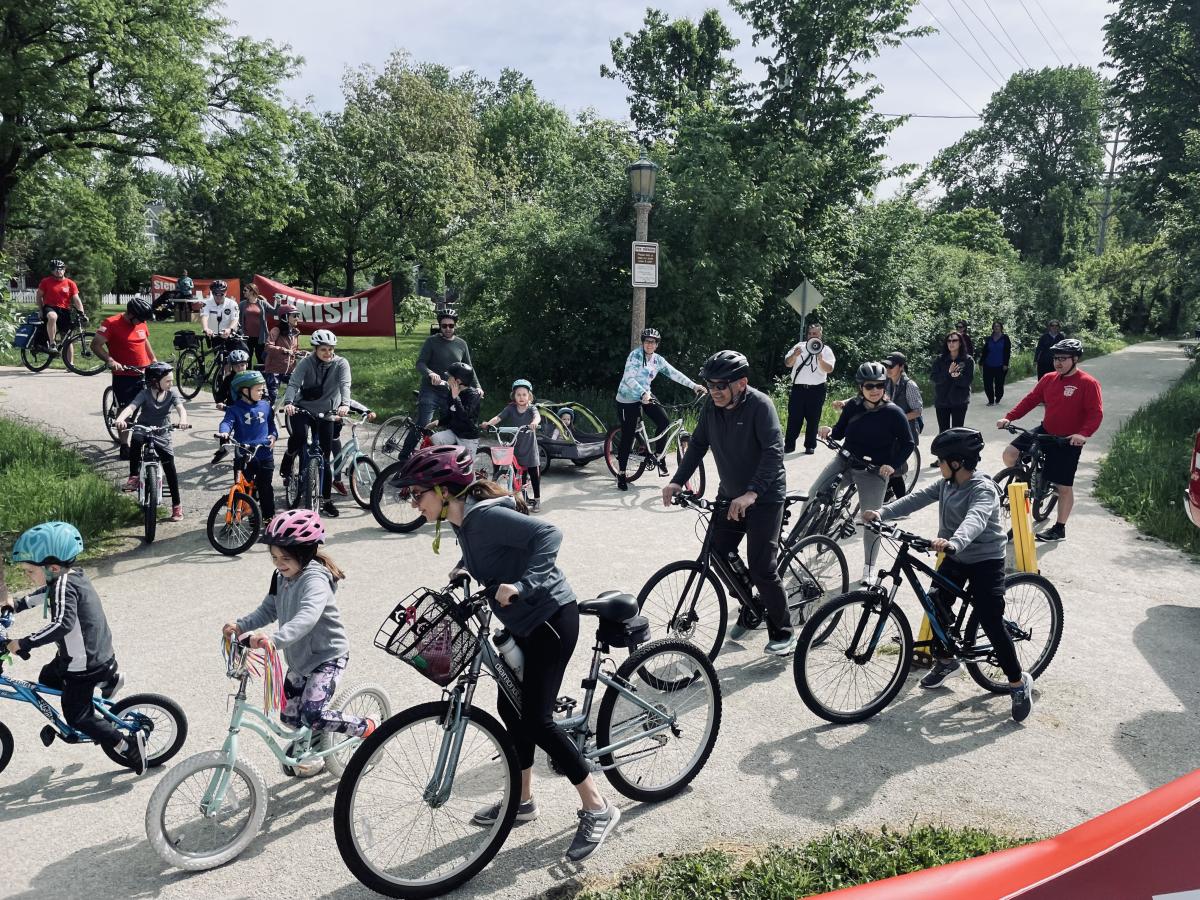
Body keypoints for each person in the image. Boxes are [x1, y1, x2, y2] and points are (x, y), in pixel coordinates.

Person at [391, 444, 621, 861]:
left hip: (551, 619)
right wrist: (465, 566)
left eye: (417, 494)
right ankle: (523, 800)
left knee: (537, 718)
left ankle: (598, 806)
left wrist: (525, 585)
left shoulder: (485, 517)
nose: (413, 502)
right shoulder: (463, 521)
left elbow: (548, 534)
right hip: (523, 623)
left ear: (444, 492)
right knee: (511, 707)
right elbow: (489, 552)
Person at [862, 428, 1034, 722]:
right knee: (936, 605)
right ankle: (946, 661)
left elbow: (976, 518)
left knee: (991, 620)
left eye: (941, 460)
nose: (938, 465)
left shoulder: (983, 489)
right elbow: (916, 498)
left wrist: (955, 541)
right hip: (955, 556)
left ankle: (1018, 683)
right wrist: (882, 513)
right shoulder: (946, 484)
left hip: (984, 559)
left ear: (957, 462)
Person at [222, 510, 376, 771]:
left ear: (304, 555)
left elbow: (307, 617)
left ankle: (366, 727)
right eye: (274, 557)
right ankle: (316, 745)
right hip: (299, 658)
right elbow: (269, 609)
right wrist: (241, 626)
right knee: (290, 717)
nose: (278, 564)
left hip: (327, 657)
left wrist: (273, 639)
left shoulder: (315, 580)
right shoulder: (280, 576)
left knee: (312, 714)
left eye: (285, 558)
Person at [664, 350, 795, 655]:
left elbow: (774, 452)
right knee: (718, 552)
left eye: (721, 385)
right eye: (710, 385)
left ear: (741, 383)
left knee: (762, 567)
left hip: (764, 497)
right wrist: (677, 480)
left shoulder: (760, 406)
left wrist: (752, 492)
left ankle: (783, 629)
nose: (714, 391)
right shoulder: (712, 407)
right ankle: (752, 604)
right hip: (730, 494)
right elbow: (697, 445)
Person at [2, 522, 147, 774]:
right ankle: (107, 682)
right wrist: (14, 606)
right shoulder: (69, 577)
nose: (27, 576)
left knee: (78, 716)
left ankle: (127, 745)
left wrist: (23, 643)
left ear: (53, 567)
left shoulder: (63, 587)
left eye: (29, 571)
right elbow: (41, 595)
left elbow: (61, 625)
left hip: (84, 664)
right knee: (46, 677)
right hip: (88, 655)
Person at [816, 362, 914, 585]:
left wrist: (892, 465)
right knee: (816, 493)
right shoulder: (853, 407)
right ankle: (799, 541)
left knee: (871, 521)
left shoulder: (894, 413)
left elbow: (908, 444)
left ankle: (869, 567)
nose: (875, 390)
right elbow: (839, 431)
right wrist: (830, 430)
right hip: (846, 460)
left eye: (879, 385)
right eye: (869, 385)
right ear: (861, 387)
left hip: (873, 471)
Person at [997, 338, 1103, 543]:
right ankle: (1027, 480)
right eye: (1056, 358)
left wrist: (1083, 434)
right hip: (1046, 430)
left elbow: (1095, 414)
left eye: (1063, 359)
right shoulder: (1048, 379)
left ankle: (1059, 528)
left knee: (1063, 486)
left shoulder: (1088, 383)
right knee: (1010, 454)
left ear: (1075, 359)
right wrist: (1009, 417)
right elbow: (1030, 400)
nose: (1058, 363)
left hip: (1068, 439)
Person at [614, 327, 705, 490]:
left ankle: (658, 456)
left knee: (664, 421)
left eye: (653, 342)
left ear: (657, 345)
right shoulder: (635, 356)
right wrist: (642, 393)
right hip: (627, 398)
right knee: (628, 435)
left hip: (645, 395)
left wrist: (693, 385)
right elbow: (628, 378)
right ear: (643, 343)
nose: (650, 344)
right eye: (647, 341)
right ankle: (621, 473)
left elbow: (673, 373)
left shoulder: (657, 360)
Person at [282, 329, 351, 518]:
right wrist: (288, 402)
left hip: (327, 413)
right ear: (315, 350)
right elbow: (294, 383)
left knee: (324, 457)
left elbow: (345, 385)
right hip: (303, 409)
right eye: (323, 350)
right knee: (300, 437)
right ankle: (288, 460)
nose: (328, 353)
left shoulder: (341, 363)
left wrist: (345, 404)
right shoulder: (307, 362)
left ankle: (327, 501)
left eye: (330, 349)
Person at [115, 362, 190, 521]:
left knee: (169, 466)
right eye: (168, 381)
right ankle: (134, 476)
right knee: (135, 439)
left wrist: (183, 420)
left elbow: (181, 409)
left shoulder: (172, 394)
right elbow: (131, 407)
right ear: (156, 382)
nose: (171, 384)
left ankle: (176, 506)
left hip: (162, 431)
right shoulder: (145, 393)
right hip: (143, 427)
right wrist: (121, 418)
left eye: (171, 381)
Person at [403, 309, 482, 459]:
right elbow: (420, 363)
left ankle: (443, 462)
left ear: (455, 326)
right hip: (430, 390)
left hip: (450, 392)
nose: (447, 329)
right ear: (439, 326)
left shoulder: (461, 344)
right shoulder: (431, 341)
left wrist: (477, 386)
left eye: (451, 326)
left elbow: (470, 368)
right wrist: (430, 373)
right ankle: (403, 458)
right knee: (423, 424)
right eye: (444, 326)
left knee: (451, 425)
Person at [92, 297, 157, 460]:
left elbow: (145, 341)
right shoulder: (111, 323)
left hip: (144, 371)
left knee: (151, 405)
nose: (142, 322)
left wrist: (154, 360)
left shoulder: (140, 322)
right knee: (125, 410)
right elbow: (95, 345)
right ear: (130, 314)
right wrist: (110, 360)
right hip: (124, 374)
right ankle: (124, 444)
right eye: (140, 318)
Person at [217, 371, 278, 521]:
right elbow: (227, 423)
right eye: (258, 389)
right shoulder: (234, 409)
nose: (262, 392)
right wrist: (224, 433)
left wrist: (274, 435)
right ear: (245, 391)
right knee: (241, 488)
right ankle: (239, 514)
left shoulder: (265, 406)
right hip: (243, 454)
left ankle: (269, 517)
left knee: (265, 487)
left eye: (262, 389)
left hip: (264, 453)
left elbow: (271, 424)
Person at [484, 379, 544, 512]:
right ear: (514, 396)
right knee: (518, 473)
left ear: (529, 396)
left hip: (529, 447)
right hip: (515, 445)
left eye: (524, 394)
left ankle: (537, 499)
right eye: (518, 394)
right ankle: (522, 498)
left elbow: (537, 417)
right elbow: (498, 417)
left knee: (533, 473)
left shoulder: (531, 408)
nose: (521, 397)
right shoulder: (510, 408)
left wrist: (534, 423)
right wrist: (489, 423)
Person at [782, 322, 836, 454]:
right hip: (798, 389)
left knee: (813, 418)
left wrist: (821, 360)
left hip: (817, 390)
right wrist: (794, 355)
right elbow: (787, 363)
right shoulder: (799, 346)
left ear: (820, 335)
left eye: (815, 333)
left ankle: (810, 445)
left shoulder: (826, 350)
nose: (812, 336)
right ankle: (789, 445)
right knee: (794, 417)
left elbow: (830, 369)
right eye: (810, 334)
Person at [929, 330, 975, 465]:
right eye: (949, 341)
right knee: (943, 432)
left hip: (959, 401)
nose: (951, 343)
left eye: (954, 340)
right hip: (942, 400)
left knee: (956, 431)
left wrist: (958, 377)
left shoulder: (967, 360)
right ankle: (942, 459)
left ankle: (956, 459)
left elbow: (967, 381)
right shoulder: (940, 359)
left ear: (960, 343)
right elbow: (934, 378)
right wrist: (948, 374)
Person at [34, 259, 87, 363]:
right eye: (55, 269)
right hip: (50, 307)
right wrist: (40, 310)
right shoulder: (46, 281)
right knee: (53, 317)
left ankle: (70, 364)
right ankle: (52, 343)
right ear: (52, 271)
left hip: (64, 310)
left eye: (60, 268)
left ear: (64, 269)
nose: (58, 271)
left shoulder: (70, 283)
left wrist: (82, 313)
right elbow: (39, 296)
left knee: (67, 337)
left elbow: (76, 299)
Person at [429, 361, 482, 459]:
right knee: (435, 438)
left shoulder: (473, 395)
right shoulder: (451, 393)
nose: (447, 379)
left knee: (465, 469)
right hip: (455, 432)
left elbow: (464, 416)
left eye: (450, 377)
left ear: (457, 381)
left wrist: (456, 397)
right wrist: (438, 422)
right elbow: (450, 415)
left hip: (468, 437)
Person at [263, 303, 303, 405]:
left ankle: (290, 412)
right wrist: (283, 350)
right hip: (274, 370)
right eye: (294, 315)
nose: (297, 318)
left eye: (298, 315)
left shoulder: (295, 332)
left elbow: (293, 350)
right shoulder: (276, 330)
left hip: (289, 370)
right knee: (272, 397)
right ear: (285, 317)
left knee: (300, 390)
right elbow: (268, 346)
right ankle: (268, 416)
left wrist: (299, 353)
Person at [980, 321, 1012, 407]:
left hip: (1000, 365)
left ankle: (998, 397)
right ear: (992, 328)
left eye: (998, 326)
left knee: (999, 384)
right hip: (988, 364)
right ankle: (990, 400)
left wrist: (1006, 364)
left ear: (1001, 328)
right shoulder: (989, 339)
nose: (996, 328)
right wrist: (981, 362)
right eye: (995, 326)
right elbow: (984, 352)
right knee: (987, 383)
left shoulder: (1005, 338)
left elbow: (1007, 352)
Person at [239, 284, 269, 366]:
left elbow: (275, 311)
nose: (243, 292)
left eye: (245, 290)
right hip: (246, 337)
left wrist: (278, 302)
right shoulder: (242, 304)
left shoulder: (262, 303)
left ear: (252, 291)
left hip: (260, 337)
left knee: (261, 359)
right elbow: (236, 318)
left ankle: (262, 377)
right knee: (247, 358)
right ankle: (247, 377)